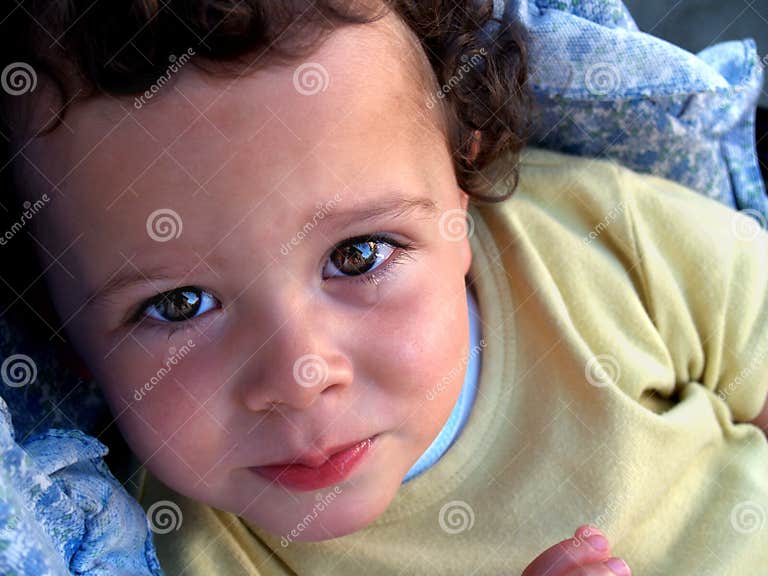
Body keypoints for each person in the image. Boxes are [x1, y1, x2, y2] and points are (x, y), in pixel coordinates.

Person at [1, 1, 766, 574]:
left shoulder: (596, 237)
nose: (299, 377)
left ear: (461, 180)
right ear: (67, 343)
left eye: (359, 255)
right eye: (179, 305)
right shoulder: (202, 550)